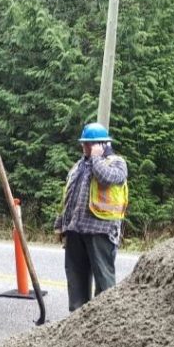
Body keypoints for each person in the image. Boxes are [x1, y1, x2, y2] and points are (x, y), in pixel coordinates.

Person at [55, 123, 128, 312]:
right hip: (76, 229)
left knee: (104, 280)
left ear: (102, 144)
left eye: (89, 144)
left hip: (100, 231)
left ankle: (105, 319)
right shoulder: (78, 166)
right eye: (84, 144)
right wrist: (62, 223)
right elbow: (70, 197)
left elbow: (107, 178)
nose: (85, 147)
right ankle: (77, 318)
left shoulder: (117, 163)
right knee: (76, 278)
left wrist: (96, 158)